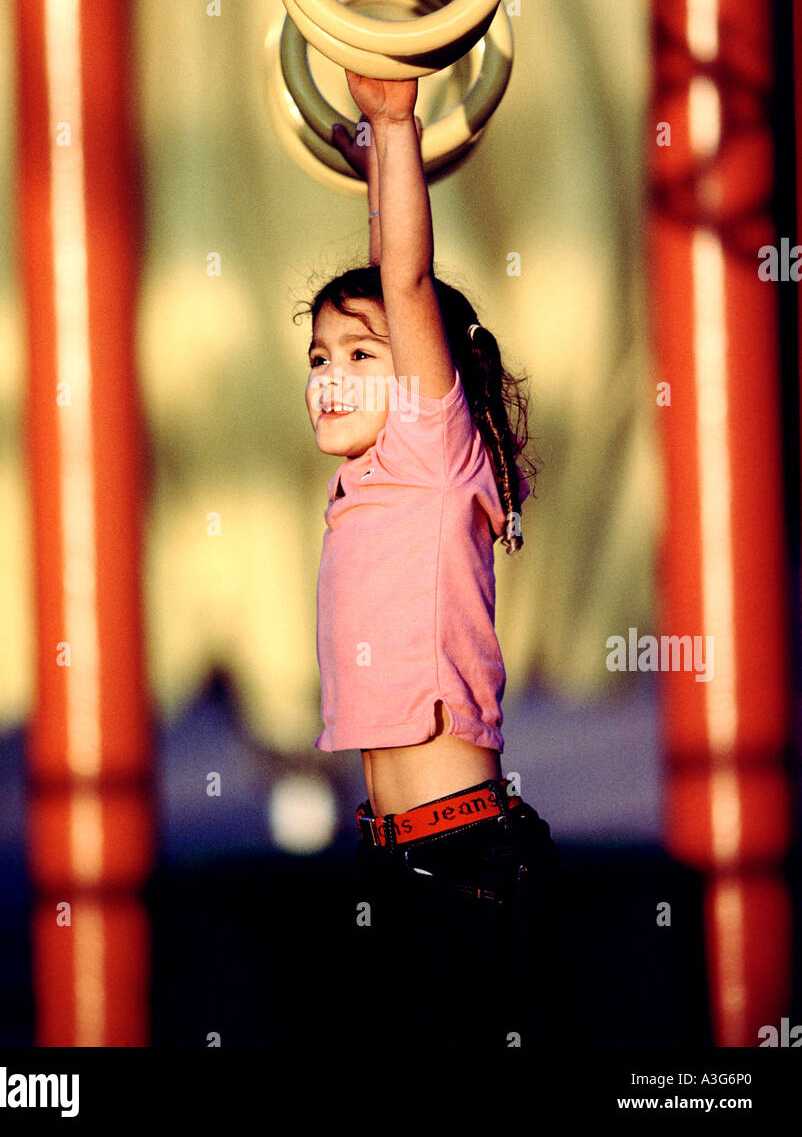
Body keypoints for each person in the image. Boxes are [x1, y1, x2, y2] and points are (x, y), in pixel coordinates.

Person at [295, 71, 565, 1047]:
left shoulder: (431, 452)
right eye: (319, 358)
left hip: (467, 859)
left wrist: (394, 123)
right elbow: (384, 283)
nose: (330, 377)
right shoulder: (361, 486)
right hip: (390, 862)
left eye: (363, 357)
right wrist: (372, 163)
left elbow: (402, 277)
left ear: (421, 374)